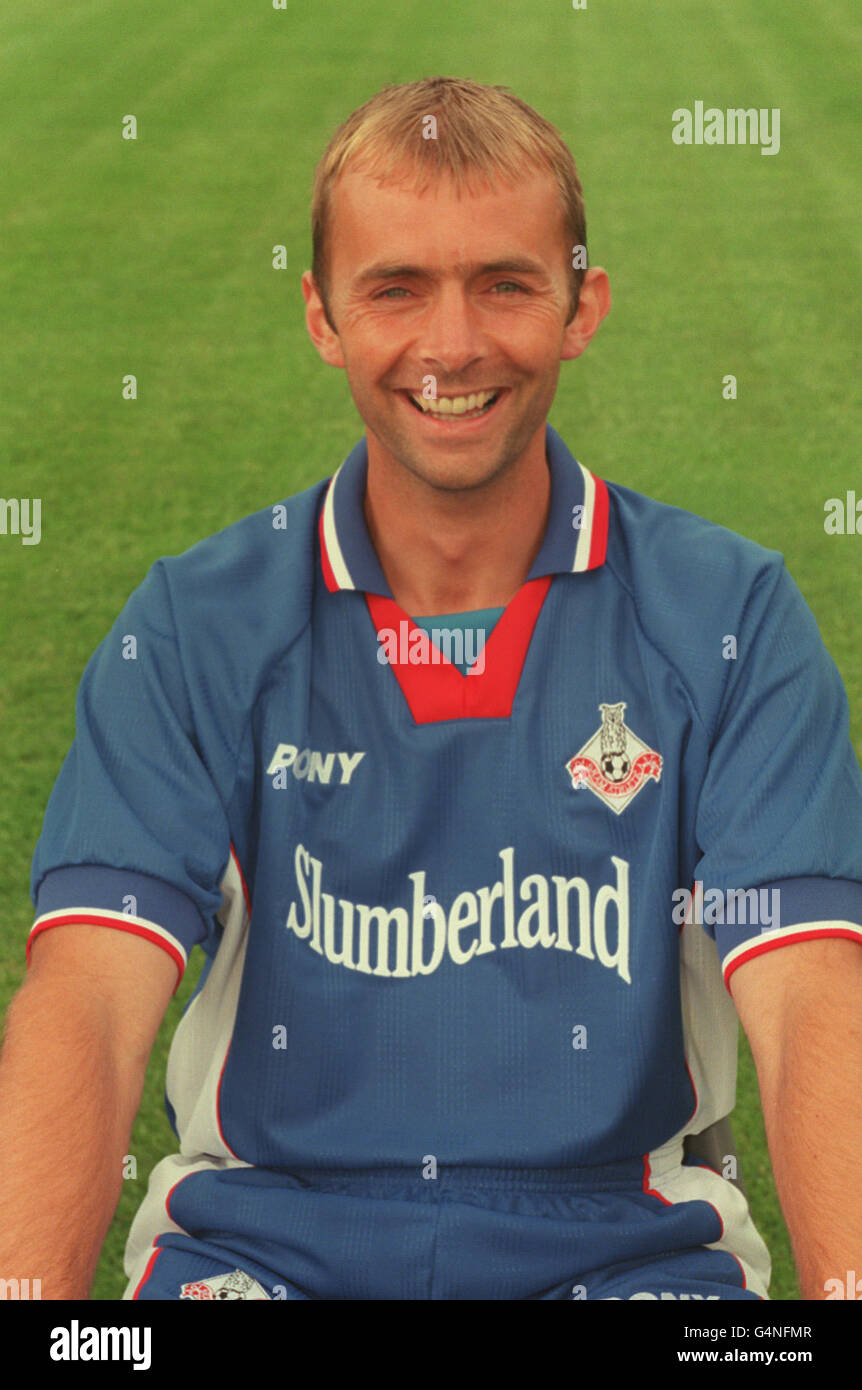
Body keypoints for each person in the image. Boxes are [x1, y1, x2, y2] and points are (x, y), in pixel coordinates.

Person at [3, 76, 861, 1302]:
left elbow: (815, 1000)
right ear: (322, 317)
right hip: (260, 1245)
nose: (450, 346)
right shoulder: (197, 627)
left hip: (620, 1254)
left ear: (581, 305)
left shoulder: (726, 617)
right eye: (396, 288)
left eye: (504, 283)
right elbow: (86, 997)